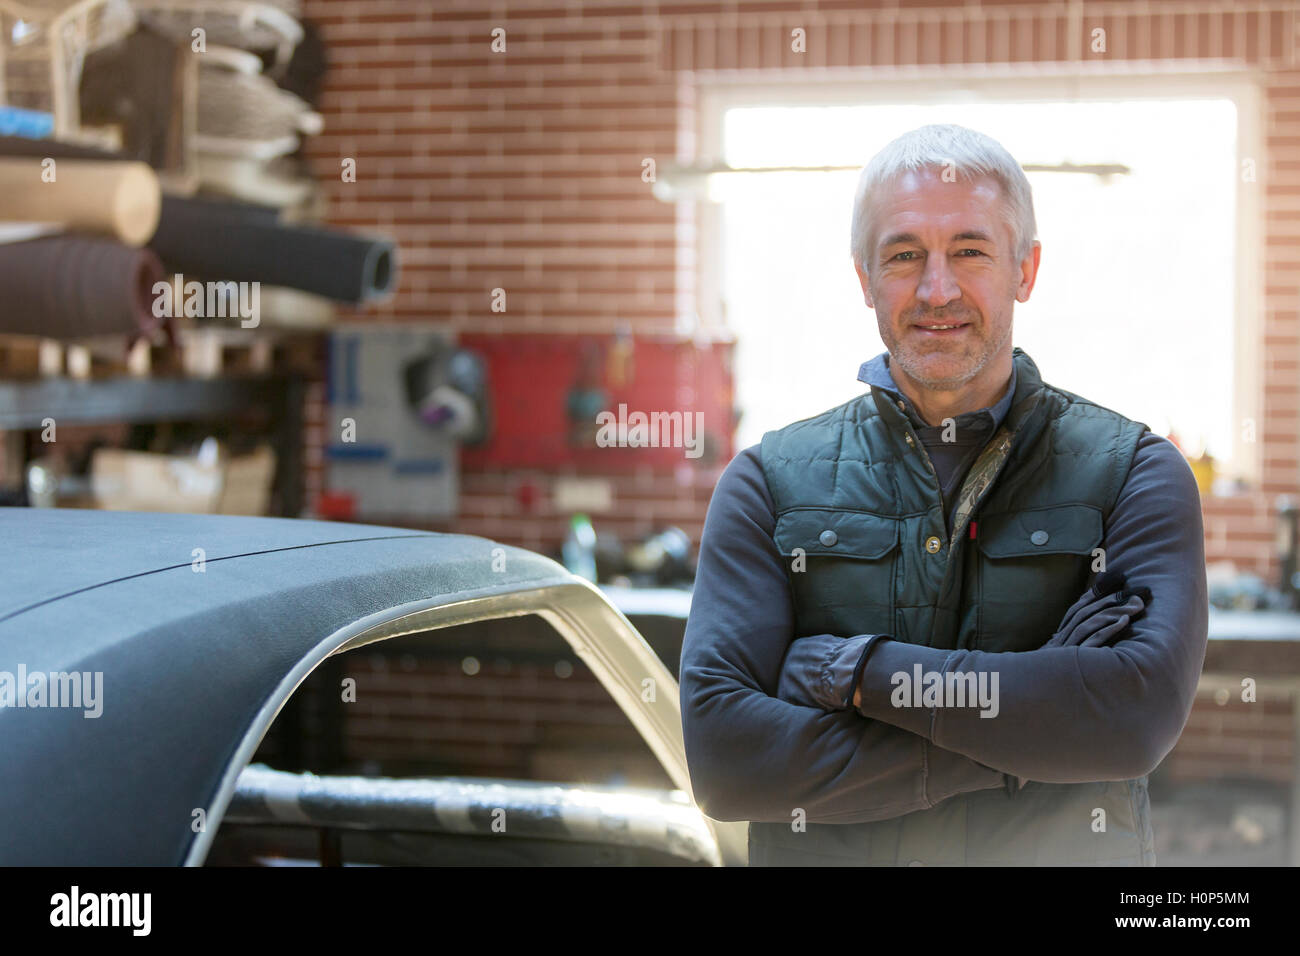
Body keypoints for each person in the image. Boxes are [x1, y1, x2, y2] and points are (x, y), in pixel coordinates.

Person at [679, 123, 1208, 866]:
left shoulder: (1135, 473)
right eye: (904, 256)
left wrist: (857, 673)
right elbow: (727, 762)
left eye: (970, 250)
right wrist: (1029, 736)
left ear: (1024, 270)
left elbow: (1133, 721)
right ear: (864, 279)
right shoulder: (767, 483)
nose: (938, 289)